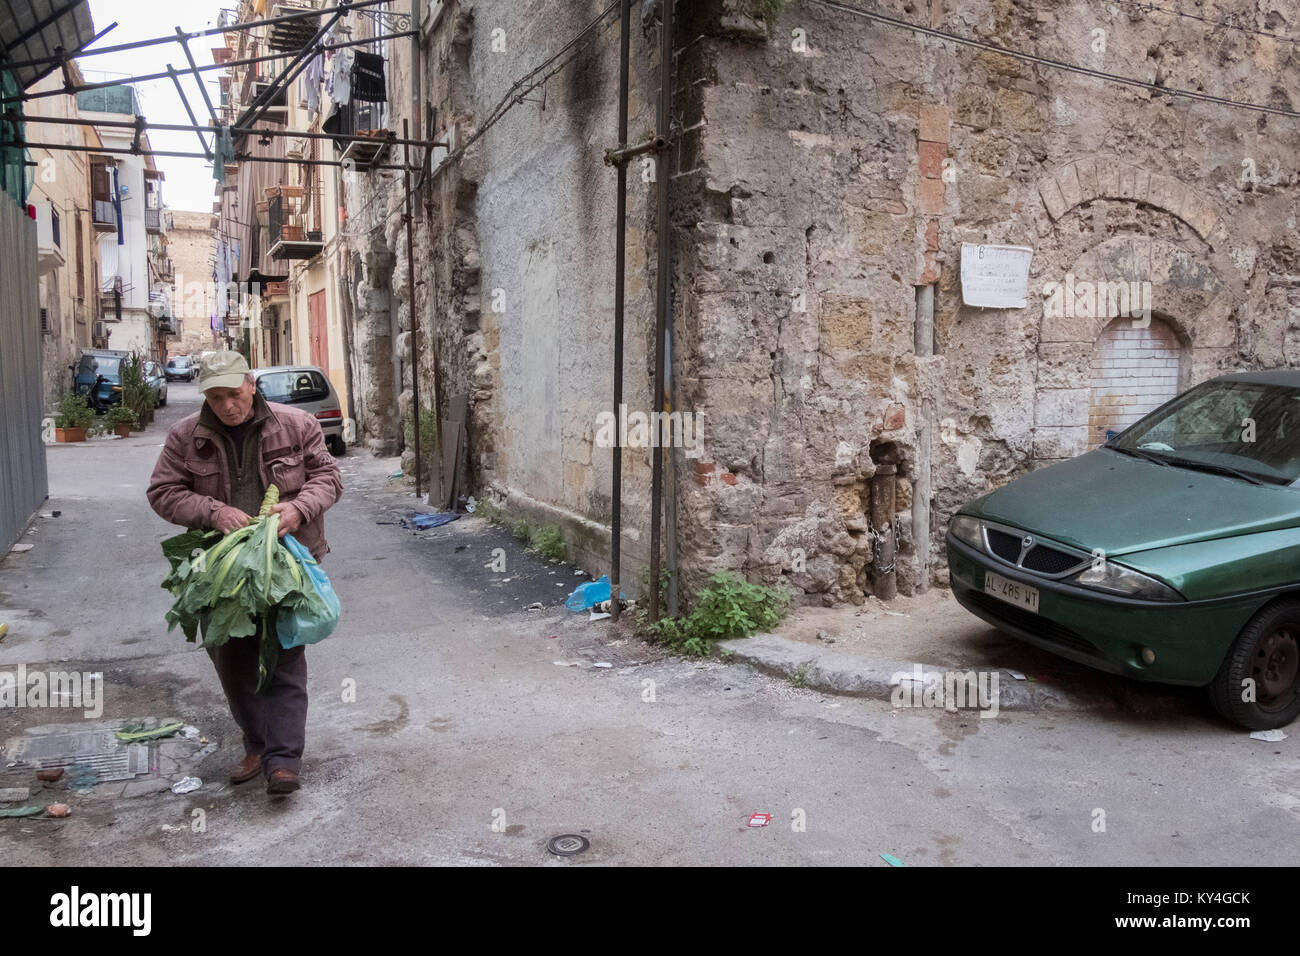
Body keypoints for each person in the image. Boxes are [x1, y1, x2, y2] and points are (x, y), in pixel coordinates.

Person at [147, 352, 343, 795]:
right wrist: (214, 513)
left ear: (251, 384)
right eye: (215, 397)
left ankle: (283, 760)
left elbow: (328, 477)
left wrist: (297, 508)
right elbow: (162, 492)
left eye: (233, 394)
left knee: (284, 658)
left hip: (284, 564)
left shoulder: (296, 425)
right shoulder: (185, 437)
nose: (227, 406)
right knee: (232, 662)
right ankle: (256, 743)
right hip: (223, 569)